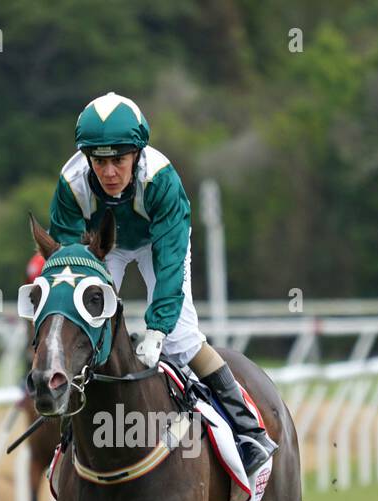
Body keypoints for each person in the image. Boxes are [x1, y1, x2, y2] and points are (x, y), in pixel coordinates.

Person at [46, 91, 276, 475]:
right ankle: (71, 435)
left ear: (137, 153)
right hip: (102, 247)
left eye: (118, 160)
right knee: (86, 326)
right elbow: (67, 266)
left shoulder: (162, 181)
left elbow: (170, 261)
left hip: (158, 242)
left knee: (181, 337)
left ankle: (248, 429)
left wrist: (157, 328)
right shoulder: (70, 185)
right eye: (99, 162)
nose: (109, 173)